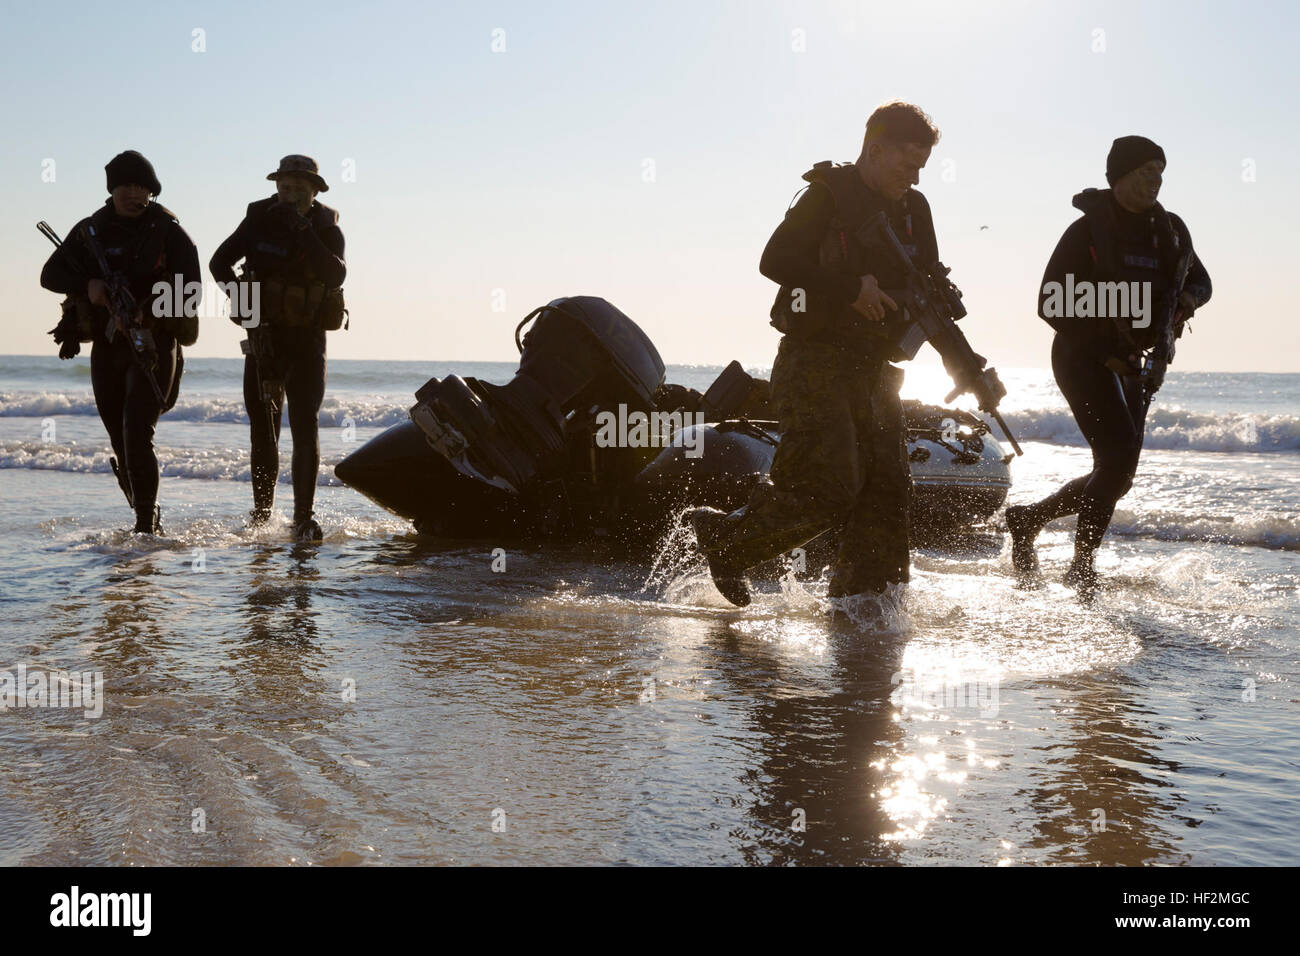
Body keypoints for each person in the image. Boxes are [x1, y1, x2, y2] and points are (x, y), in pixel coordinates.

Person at [690, 101, 991, 608]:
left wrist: (966, 366)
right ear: (874, 149)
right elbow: (775, 259)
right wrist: (851, 287)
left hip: (876, 373)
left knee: (888, 495)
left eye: (921, 166)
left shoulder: (915, 212)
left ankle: (862, 609)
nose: (913, 176)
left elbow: (927, 294)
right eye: (905, 164)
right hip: (815, 363)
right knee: (826, 486)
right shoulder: (826, 198)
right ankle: (726, 543)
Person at [1006, 136, 1212, 598]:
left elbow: (1202, 281)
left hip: (1136, 364)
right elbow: (1050, 302)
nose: (1155, 180)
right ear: (1119, 177)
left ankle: (1027, 519)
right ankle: (1081, 570)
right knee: (1117, 460)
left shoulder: (1171, 231)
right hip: (1083, 357)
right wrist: (1105, 349)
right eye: (1145, 172)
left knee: (1117, 474)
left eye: (1160, 172)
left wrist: (1186, 300)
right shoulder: (1086, 233)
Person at [40, 150, 200, 534]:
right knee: (118, 435)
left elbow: (191, 291)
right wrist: (89, 286)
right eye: (126, 185)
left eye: (142, 186)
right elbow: (50, 274)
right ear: (112, 189)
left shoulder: (168, 232)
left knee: (136, 431)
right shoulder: (91, 230)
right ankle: (145, 517)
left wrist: (151, 310)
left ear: (152, 192)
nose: (134, 193)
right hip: (109, 347)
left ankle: (145, 525)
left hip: (155, 345)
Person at [210, 155, 347, 542]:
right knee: (263, 430)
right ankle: (261, 515)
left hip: (307, 341)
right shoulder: (258, 218)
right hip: (263, 339)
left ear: (315, 192)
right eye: (284, 188)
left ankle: (304, 518)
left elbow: (335, 274)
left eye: (299, 190)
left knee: (305, 427)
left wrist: (303, 230)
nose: (289, 195)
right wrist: (242, 300)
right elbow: (219, 261)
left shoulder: (326, 227)